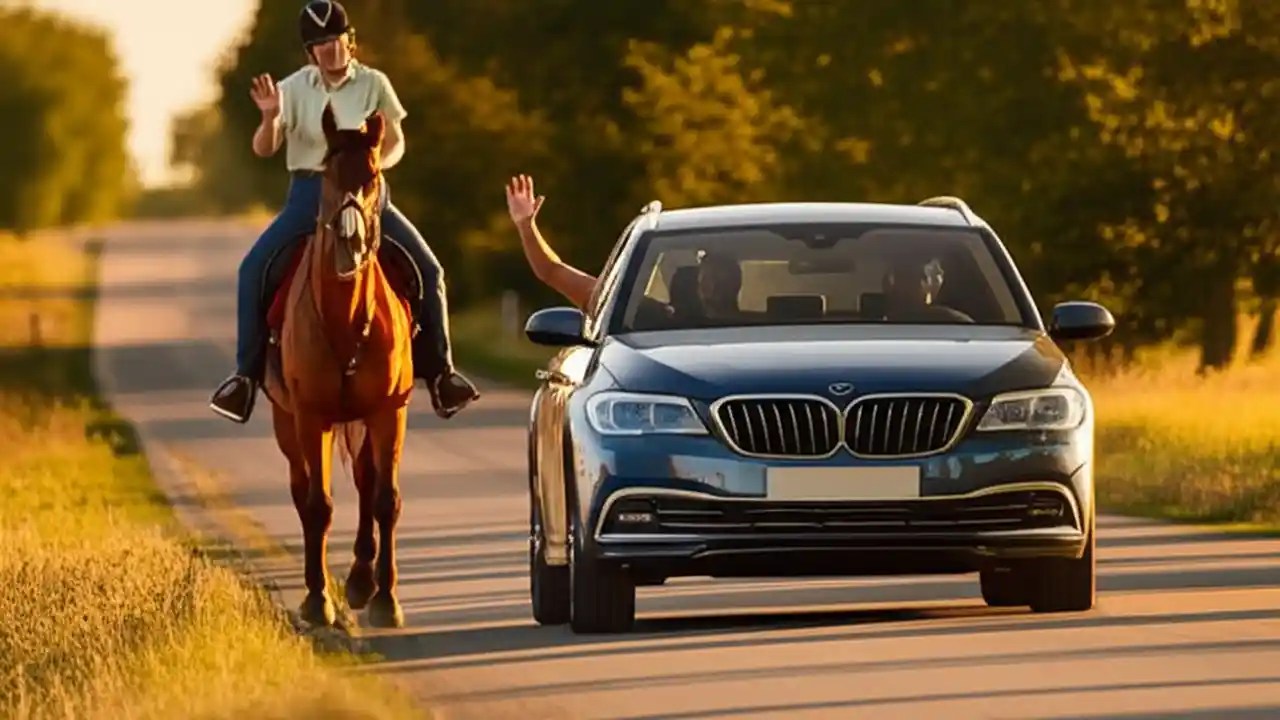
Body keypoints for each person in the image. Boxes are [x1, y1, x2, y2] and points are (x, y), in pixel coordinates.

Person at [209, 0, 480, 424]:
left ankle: (442, 374)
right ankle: (244, 378)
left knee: (430, 270)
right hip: (310, 195)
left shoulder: (375, 83)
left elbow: (397, 141)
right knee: (252, 270)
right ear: (310, 53)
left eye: (336, 41)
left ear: (350, 42)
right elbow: (266, 148)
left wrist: (374, 170)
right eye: (321, 45)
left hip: (370, 193)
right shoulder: (293, 89)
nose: (331, 51)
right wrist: (269, 117)